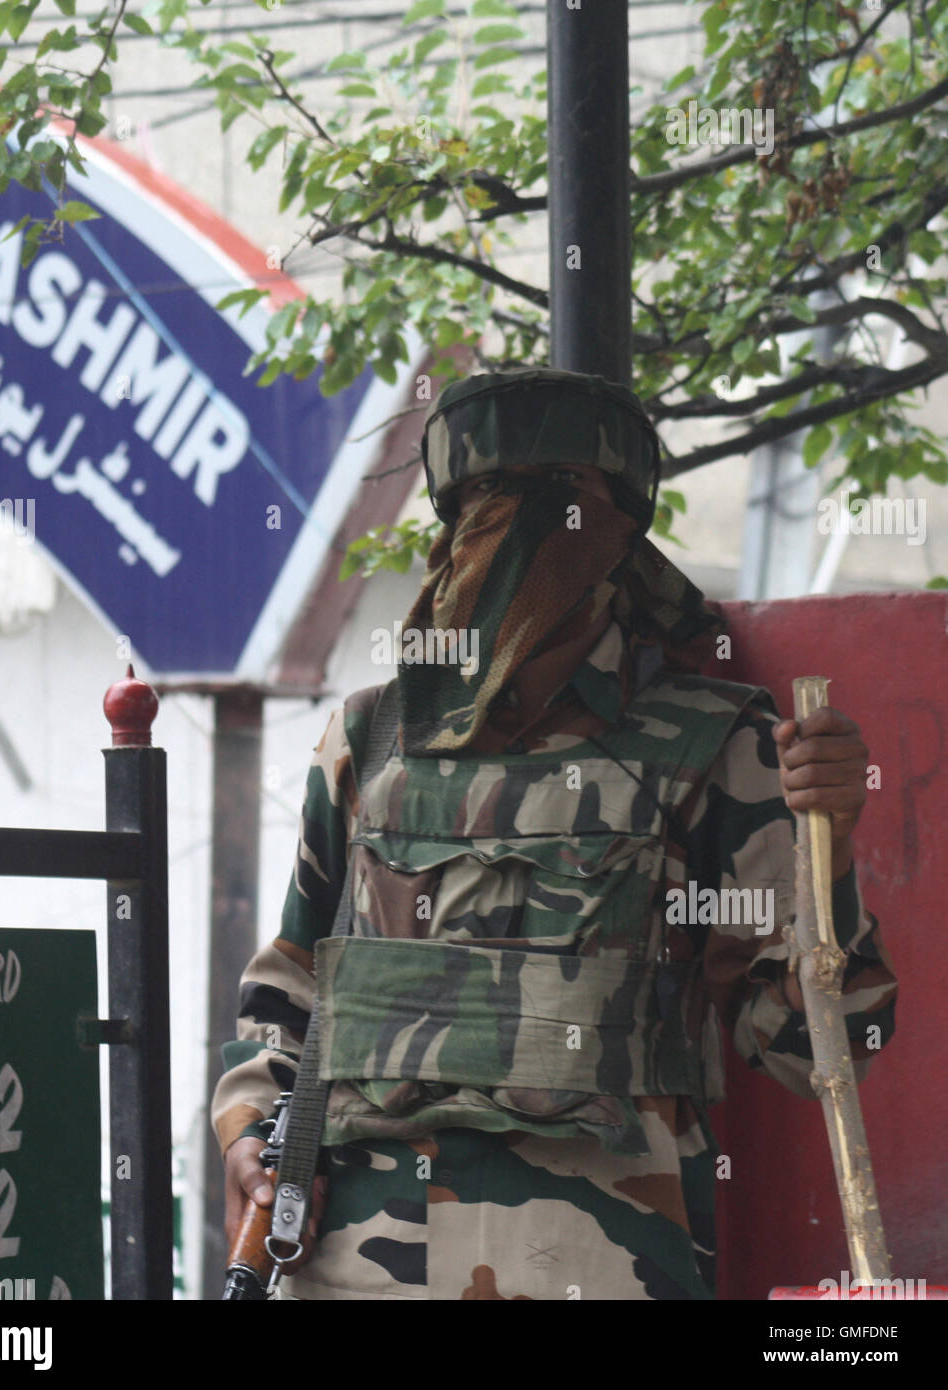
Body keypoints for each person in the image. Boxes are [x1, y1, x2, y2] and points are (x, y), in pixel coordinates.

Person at [212, 366, 898, 1300]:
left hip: (601, 1265)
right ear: (454, 523)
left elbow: (816, 1045)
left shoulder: (715, 741)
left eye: (559, 497)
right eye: (490, 495)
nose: (521, 523)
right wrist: (251, 1134)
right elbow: (293, 989)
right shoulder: (371, 736)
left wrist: (832, 845)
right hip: (360, 1265)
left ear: (619, 528)